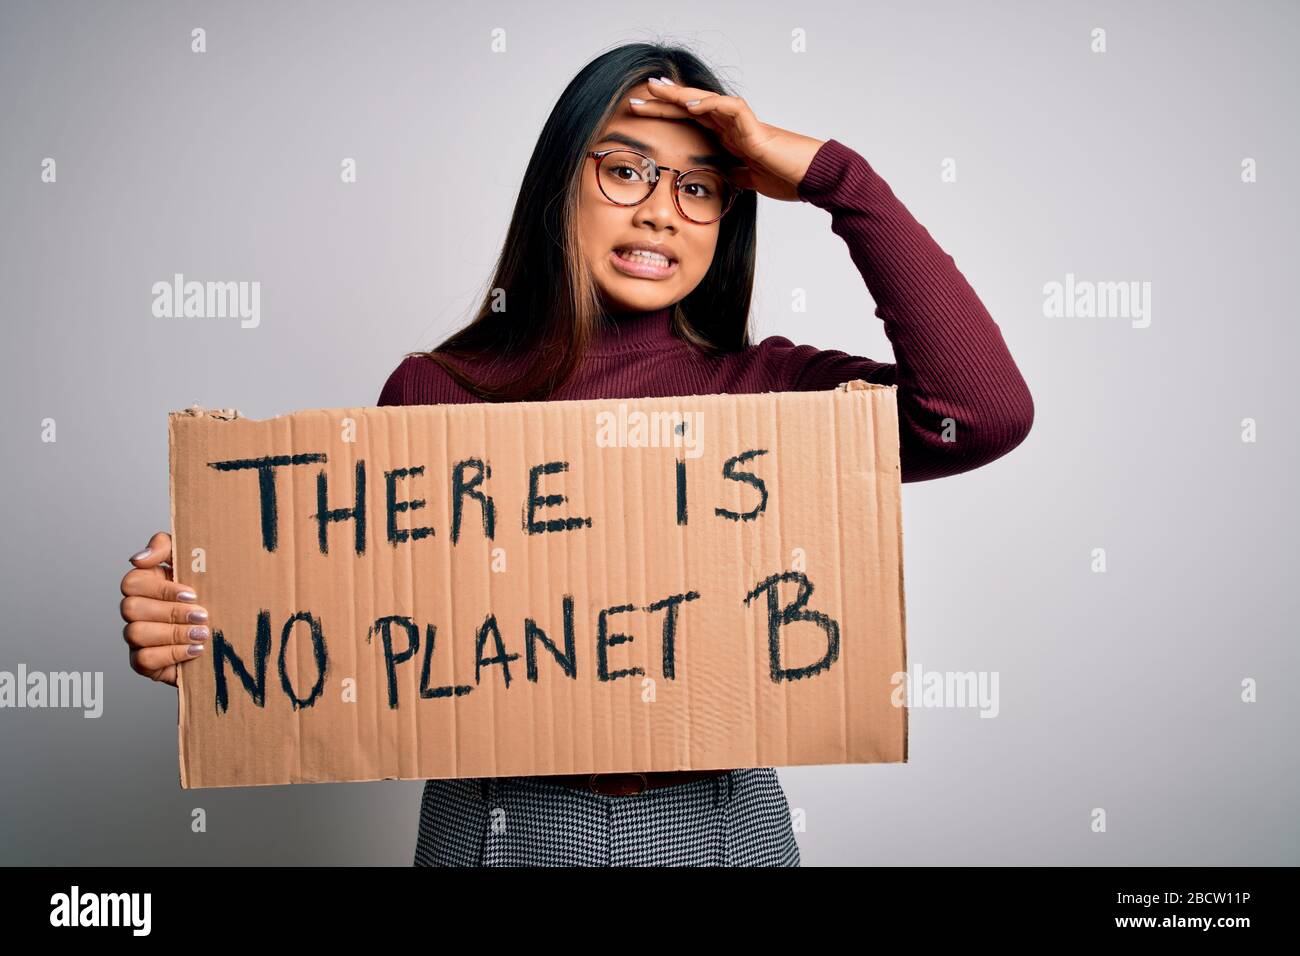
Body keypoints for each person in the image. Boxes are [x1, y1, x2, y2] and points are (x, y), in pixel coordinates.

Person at [119, 43, 1034, 867]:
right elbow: (350, 636)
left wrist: (840, 179)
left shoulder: (770, 394)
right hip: (496, 829)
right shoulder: (434, 395)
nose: (663, 212)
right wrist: (201, 617)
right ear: (560, 180)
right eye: (626, 169)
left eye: (701, 185)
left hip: (717, 828)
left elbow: (982, 411)